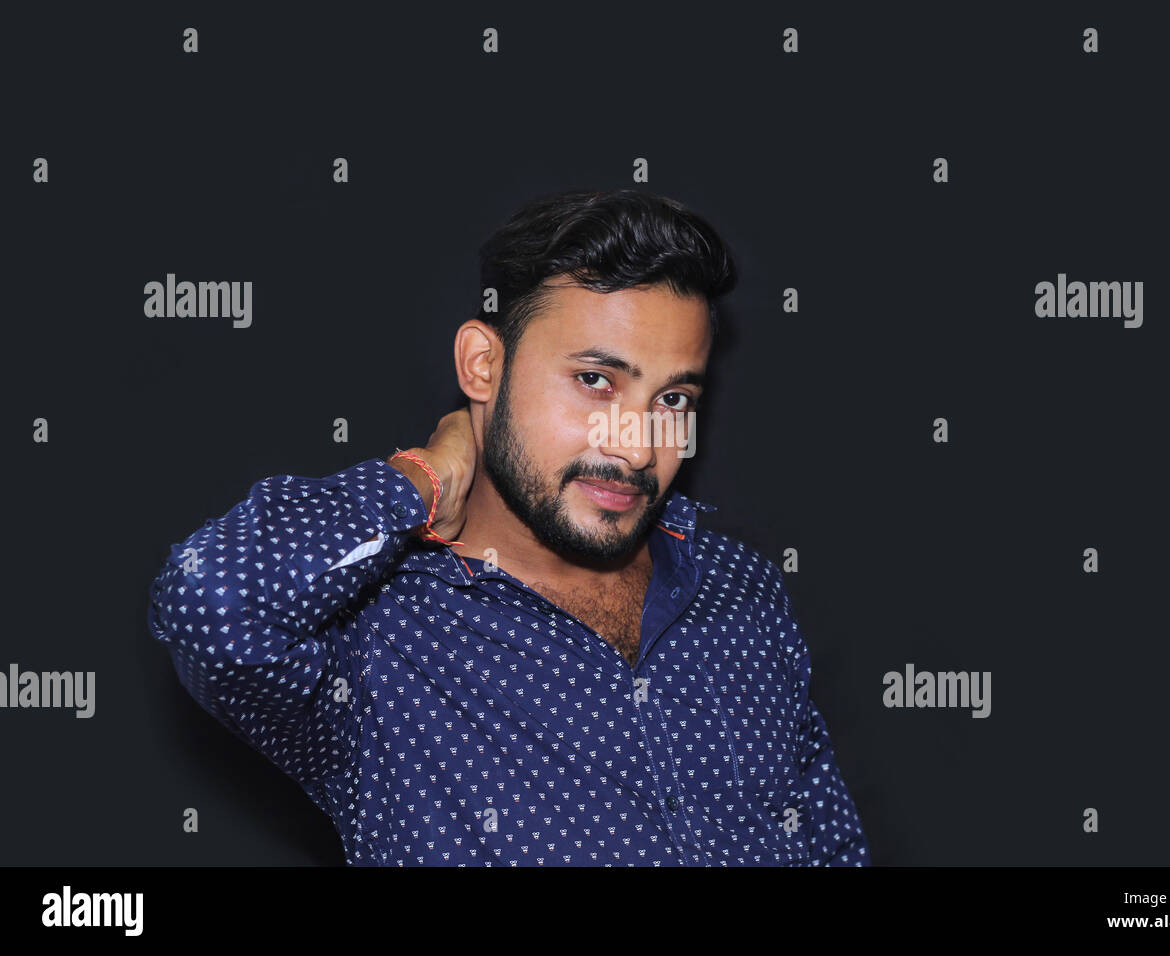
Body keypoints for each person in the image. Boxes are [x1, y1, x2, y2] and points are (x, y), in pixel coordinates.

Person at [147, 187, 869, 865]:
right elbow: (209, 602)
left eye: (673, 397)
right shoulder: (381, 627)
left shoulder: (741, 592)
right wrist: (428, 474)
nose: (639, 446)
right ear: (483, 365)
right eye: (596, 381)